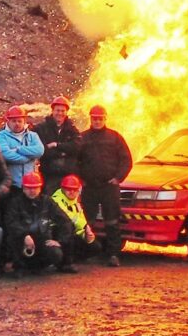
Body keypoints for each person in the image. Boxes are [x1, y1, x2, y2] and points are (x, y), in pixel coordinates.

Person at [78, 105, 132, 267]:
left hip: (109, 187)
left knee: (112, 221)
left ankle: (113, 254)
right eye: (94, 118)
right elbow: (76, 161)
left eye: (100, 118)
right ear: (90, 119)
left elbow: (126, 160)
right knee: (87, 221)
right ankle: (86, 253)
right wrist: (81, 179)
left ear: (105, 118)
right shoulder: (82, 138)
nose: (97, 121)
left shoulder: (115, 137)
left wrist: (118, 178)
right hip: (90, 187)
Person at [4, 171, 62, 275]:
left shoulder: (48, 202)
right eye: (29, 188)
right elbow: (10, 222)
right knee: (11, 239)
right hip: (21, 241)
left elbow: (64, 220)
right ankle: (19, 266)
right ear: (23, 188)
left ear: (40, 188)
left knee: (56, 253)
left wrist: (60, 241)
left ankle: (39, 266)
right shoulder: (15, 202)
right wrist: (24, 235)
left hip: (42, 240)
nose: (32, 191)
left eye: (35, 187)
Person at [34, 96, 81, 195]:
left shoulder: (72, 129)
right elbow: (42, 151)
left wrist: (56, 145)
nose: (60, 113)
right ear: (52, 111)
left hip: (68, 177)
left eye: (63, 110)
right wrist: (65, 152)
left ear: (66, 112)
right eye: (57, 110)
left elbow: (77, 147)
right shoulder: (41, 128)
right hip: (48, 176)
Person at [49, 174, 96, 273]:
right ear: (62, 189)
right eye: (68, 189)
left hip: (69, 232)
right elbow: (68, 218)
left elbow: (81, 220)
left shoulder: (76, 203)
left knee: (94, 246)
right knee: (68, 229)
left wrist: (86, 235)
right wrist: (85, 226)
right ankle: (66, 263)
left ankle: (70, 260)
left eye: (74, 189)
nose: (72, 192)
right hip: (55, 232)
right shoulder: (56, 199)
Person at [0, 105, 44, 195]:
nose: (17, 124)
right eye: (14, 121)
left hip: (30, 185)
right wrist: (29, 157)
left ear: (24, 121)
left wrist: (19, 149)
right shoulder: (1, 136)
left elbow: (40, 150)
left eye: (19, 121)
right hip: (11, 185)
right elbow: (6, 154)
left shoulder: (32, 135)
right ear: (8, 121)